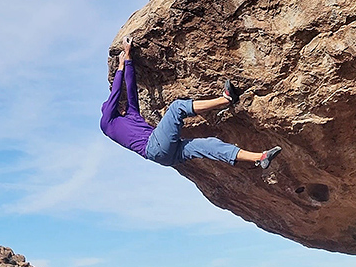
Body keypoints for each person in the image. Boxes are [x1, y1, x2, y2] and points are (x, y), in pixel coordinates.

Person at [100, 36, 281, 169]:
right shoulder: (107, 123)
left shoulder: (130, 114)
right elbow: (116, 92)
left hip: (166, 156)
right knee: (177, 108)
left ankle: (260, 157)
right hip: (153, 147)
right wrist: (120, 66)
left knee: (209, 145)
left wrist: (129, 57)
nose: (121, 105)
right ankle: (225, 100)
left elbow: (131, 89)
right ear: (112, 109)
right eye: (117, 105)